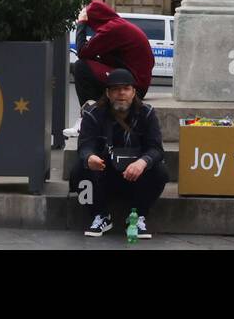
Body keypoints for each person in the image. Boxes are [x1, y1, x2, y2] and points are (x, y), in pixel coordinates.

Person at [69, 69, 166, 240]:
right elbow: (85, 145)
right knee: (79, 171)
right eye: (115, 89)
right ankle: (100, 215)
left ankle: (137, 216)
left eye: (126, 88)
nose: (121, 93)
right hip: (105, 173)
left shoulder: (147, 113)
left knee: (160, 172)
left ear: (134, 92)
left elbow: (156, 149)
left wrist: (142, 162)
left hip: (135, 175)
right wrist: (90, 157)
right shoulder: (93, 114)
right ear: (107, 93)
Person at [74, 0, 153, 106]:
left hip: (134, 88)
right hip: (136, 84)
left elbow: (82, 52)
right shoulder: (118, 25)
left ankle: (90, 109)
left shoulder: (110, 29)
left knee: (81, 66)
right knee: (90, 64)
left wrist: (82, 23)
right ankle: (100, 105)